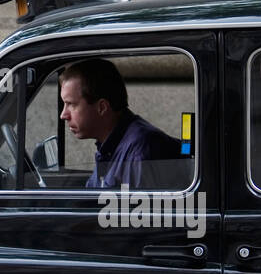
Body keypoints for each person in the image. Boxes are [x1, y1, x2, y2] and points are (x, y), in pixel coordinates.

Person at [59, 58, 183, 191]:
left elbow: (135, 210)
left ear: (102, 107)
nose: (63, 115)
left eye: (71, 104)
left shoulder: (138, 152)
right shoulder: (111, 146)